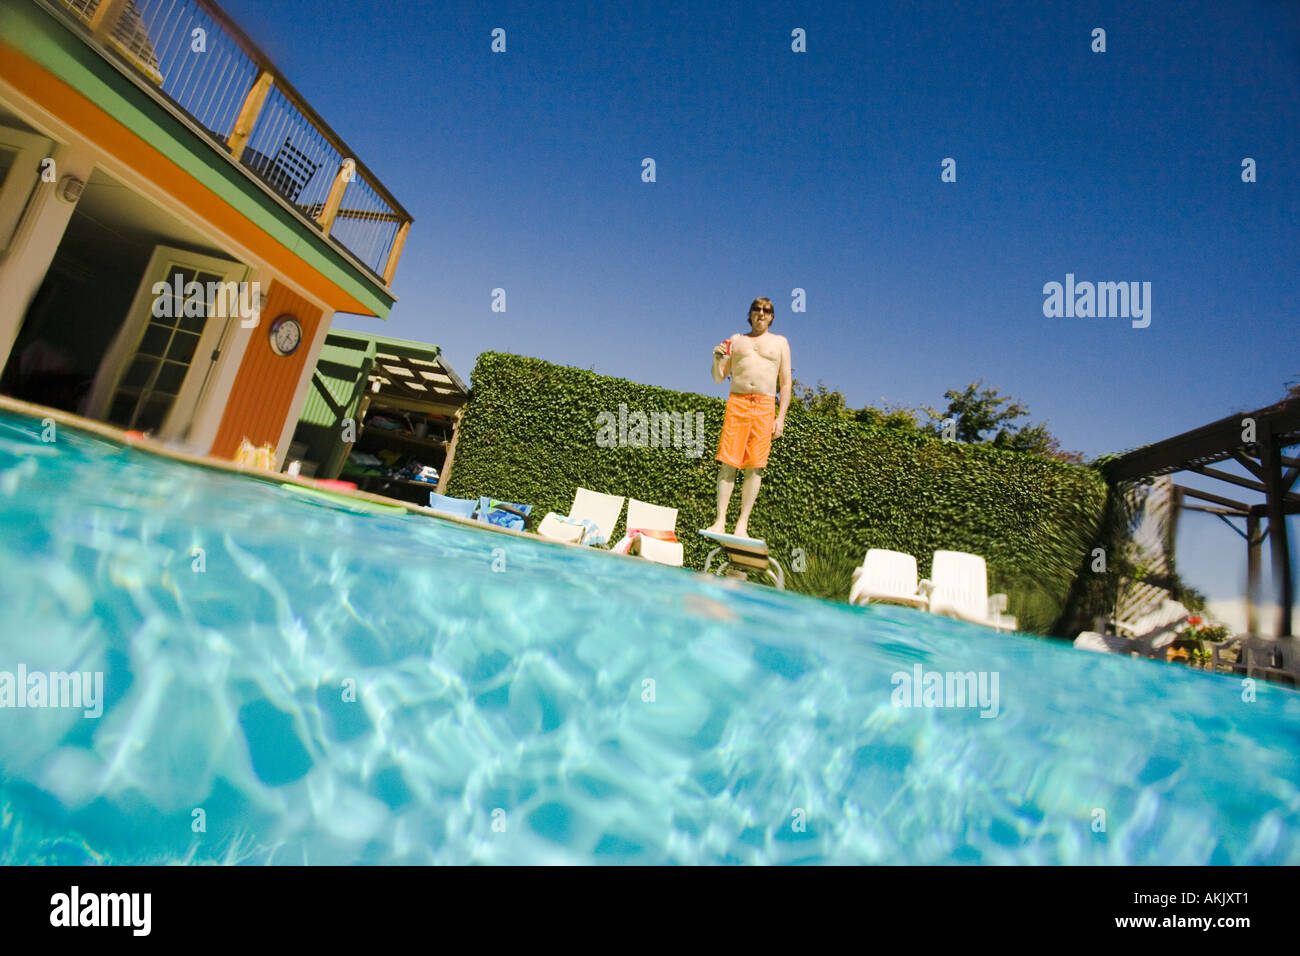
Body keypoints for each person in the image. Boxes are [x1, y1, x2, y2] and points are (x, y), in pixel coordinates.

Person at [705, 296, 791, 539]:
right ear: (750, 313)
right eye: (757, 309)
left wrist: (780, 417)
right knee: (728, 463)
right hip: (738, 402)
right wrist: (716, 358)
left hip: (764, 406)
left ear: (772, 316)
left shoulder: (780, 343)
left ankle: (742, 524)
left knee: (755, 467)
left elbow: (785, 384)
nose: (761, 313)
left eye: (766, 310)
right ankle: (720, 520)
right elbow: (719, 377)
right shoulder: (736, 340)